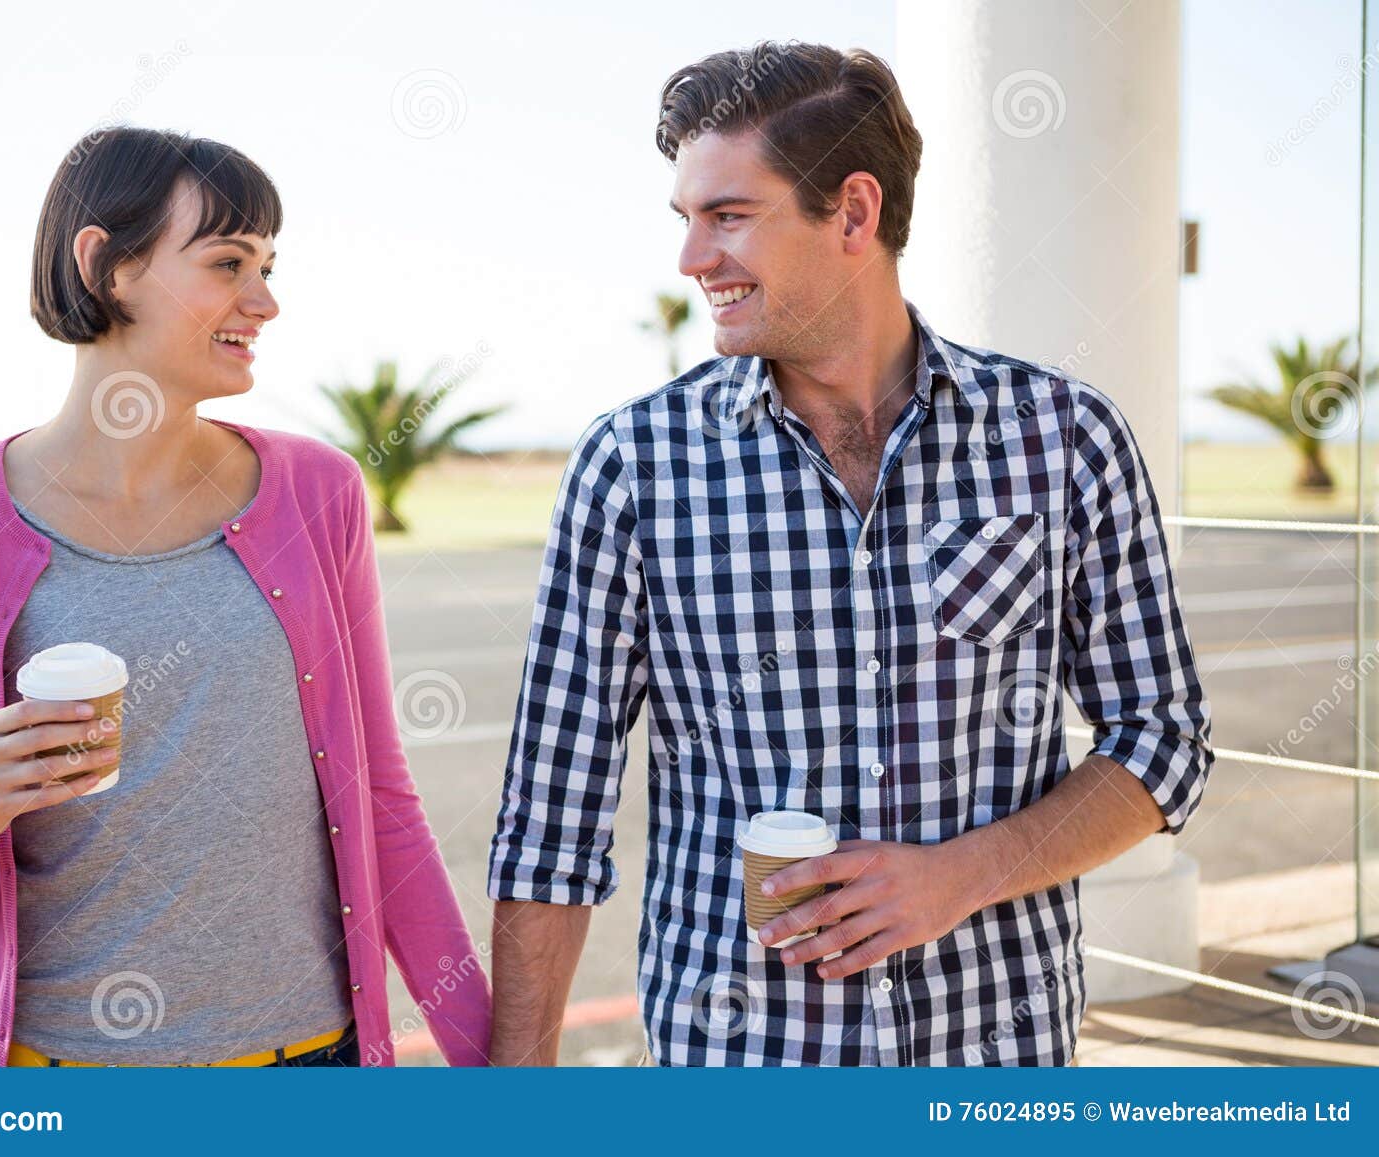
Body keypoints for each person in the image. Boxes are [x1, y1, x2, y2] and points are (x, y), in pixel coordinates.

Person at [487, 43, 1213, 1066]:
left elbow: (1161, 737)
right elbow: (550, 821)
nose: (693, 258)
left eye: (728, 215)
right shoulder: (633, 465)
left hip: (992, 1057)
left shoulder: (1062, 435)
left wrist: (959, 873)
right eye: (686, 220)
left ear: (854, 214)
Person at [0, 127, 490, 1067]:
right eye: (228, 263)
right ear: (106, 265)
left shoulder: (318, 494)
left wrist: (497, 1060)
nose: (265, 301)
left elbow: (383, 801)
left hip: (308, 1064)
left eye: (270, 266)